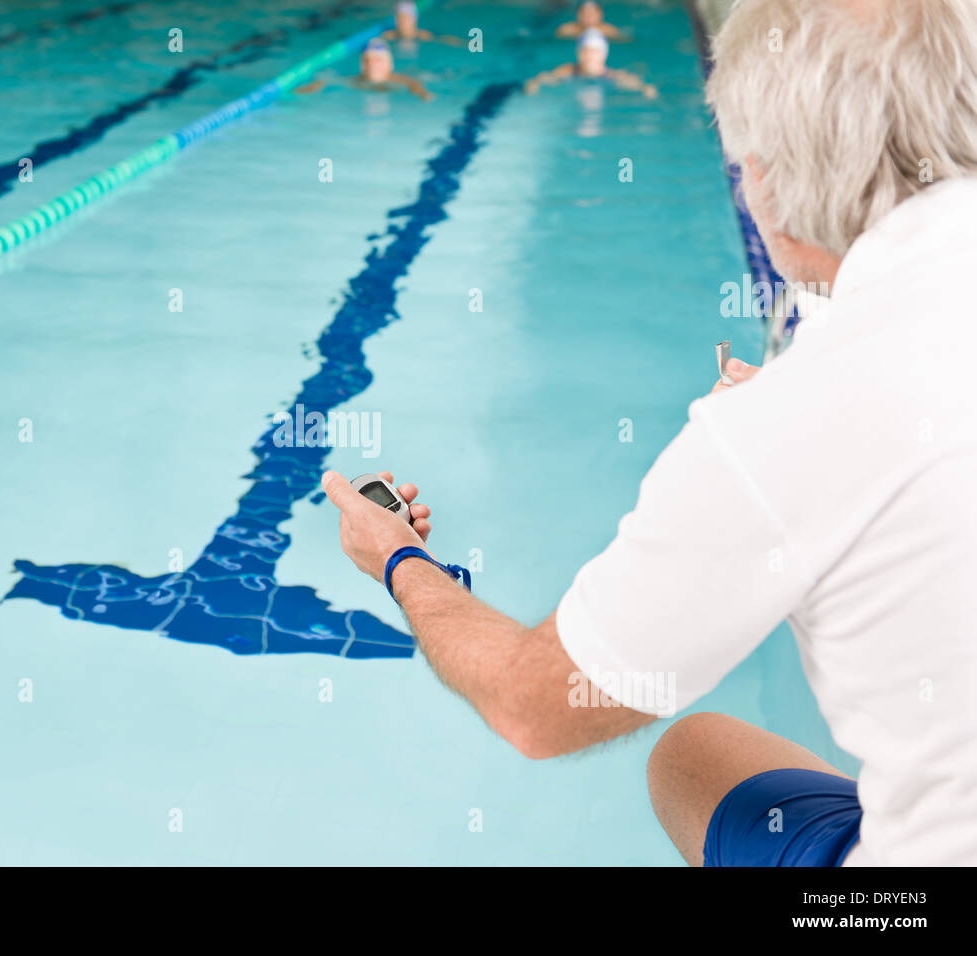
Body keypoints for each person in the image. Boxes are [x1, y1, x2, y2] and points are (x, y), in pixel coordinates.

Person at [323, 0, 977, 866]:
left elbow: (535, 707)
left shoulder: (780, 425)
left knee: (689, 756)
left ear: (771, 179)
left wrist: (399, 562)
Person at [524, 29, 657, 97]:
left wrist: (646, 89)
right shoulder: (567, 71)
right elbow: (541, 79)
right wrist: (533, 84)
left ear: (603, 55)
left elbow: (641, 86)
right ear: (578, 53)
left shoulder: (613, 76)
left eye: (594, 52)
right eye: (585, 51)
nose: (589, 56)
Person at [296, 38, 434, 100]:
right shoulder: (357, 80)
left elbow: (414, 84)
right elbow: (328, 81)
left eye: (378, 60)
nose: (372, 65)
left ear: (389, 65)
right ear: (362, 65)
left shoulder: (399, 79)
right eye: (368, 61)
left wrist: (422, 94)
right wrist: (313, 87)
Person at [382, 1, 463, 47]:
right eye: (399, 18)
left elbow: (442, 39)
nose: (402, 22)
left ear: (414, 19)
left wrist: (462, 43)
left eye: (406, 18)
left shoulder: (423, 36)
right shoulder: (388, 36)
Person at [555, 1, 628, 41]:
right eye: (584, 13)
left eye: (592, 13)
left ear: (600, 15)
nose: (588, 17)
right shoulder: (566, 31)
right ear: (578, 15)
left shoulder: (609, 32)